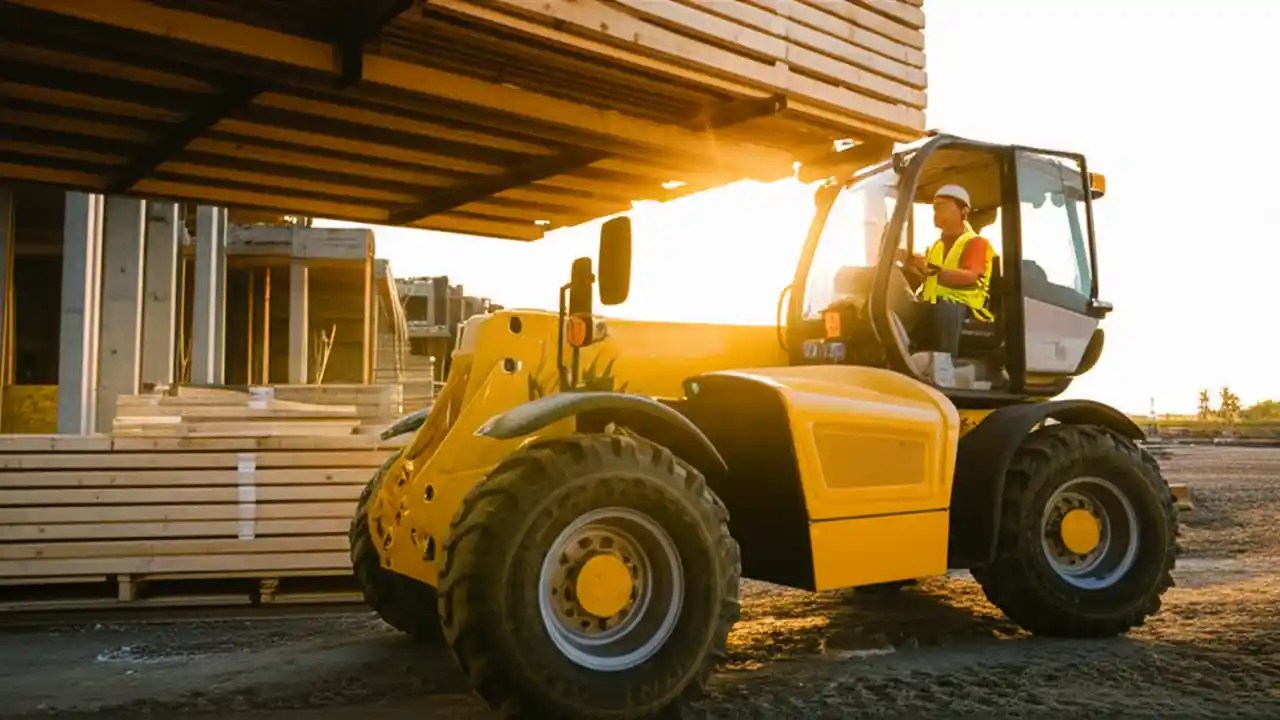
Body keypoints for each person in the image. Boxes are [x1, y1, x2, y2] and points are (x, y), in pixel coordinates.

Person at [898, 184, 996, 381]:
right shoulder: (935, 246)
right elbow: (929, 276)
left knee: (947, 308)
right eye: (934, 207)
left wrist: (932, 271)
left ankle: (946, 366)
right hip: (936, 304)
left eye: (941, 206)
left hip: (968, 309)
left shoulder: (975, 243)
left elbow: (970, 276)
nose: (935, 211)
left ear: (963, 211)